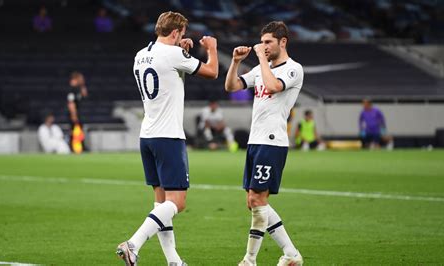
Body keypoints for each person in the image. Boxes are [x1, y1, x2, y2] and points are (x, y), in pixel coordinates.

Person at [116, 11, 218, 266]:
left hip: (147, 136)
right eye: (181, 35)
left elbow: (170, 76)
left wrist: (182, 52)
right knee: (177, 203)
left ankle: (174, 261)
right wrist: (211, 49)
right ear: (175, 33)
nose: (183, 38)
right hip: (168, 137)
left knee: (160, 202)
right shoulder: (174, 54)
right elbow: (212, 71)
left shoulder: (140, 55)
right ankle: (133, 244)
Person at [224, 21, 304, 266]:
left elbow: (273, 86)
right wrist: (236, 62)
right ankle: (291, 254)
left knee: (258, 200)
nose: (264, 46)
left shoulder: (293, 69)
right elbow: (231, 86)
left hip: (272, 141)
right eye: (263, 42)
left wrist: (259, 58)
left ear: (283, 42)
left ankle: (250, 260)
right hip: (255, 140)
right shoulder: (262, 68)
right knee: (253, 201)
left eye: (268, 42)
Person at [67, 71, 88, 154]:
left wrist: (82, 85)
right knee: (73, 130)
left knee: (80, 130)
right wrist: (73, 115)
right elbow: (71, 103)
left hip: (78, 113)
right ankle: (72, 147)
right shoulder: (71, 89)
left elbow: (85, 94)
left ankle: (81, 145)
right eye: (81, 78)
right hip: (74, 114)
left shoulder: (78, 88)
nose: (82, 79)